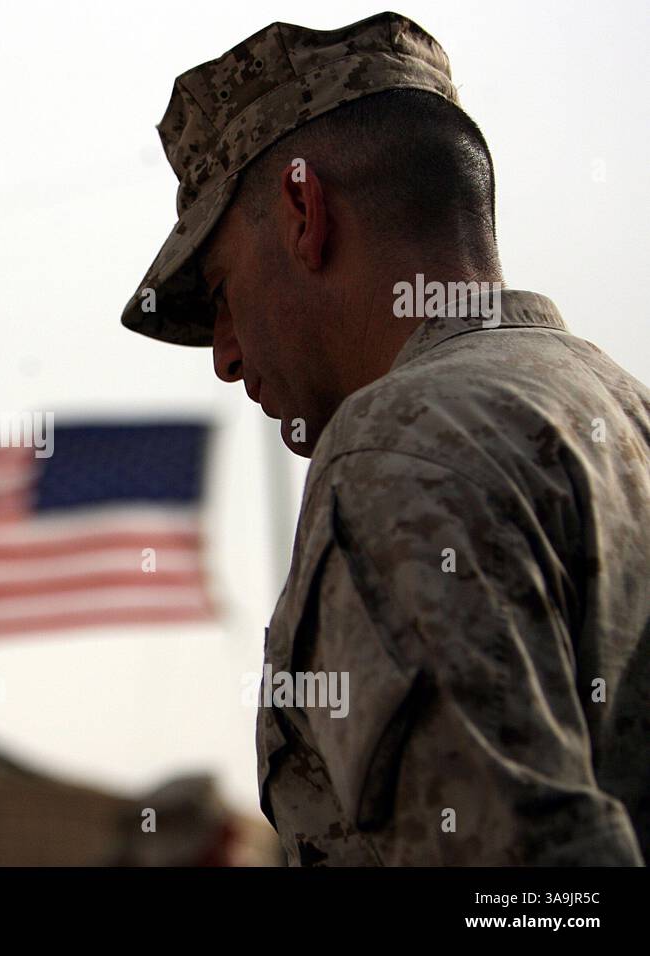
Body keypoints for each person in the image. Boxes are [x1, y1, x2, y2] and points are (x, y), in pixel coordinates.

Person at [121, 11, 649, 865]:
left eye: (220, 291)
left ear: (302, 208)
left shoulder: (395, 451)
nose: (223, 356)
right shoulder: (620, 412)